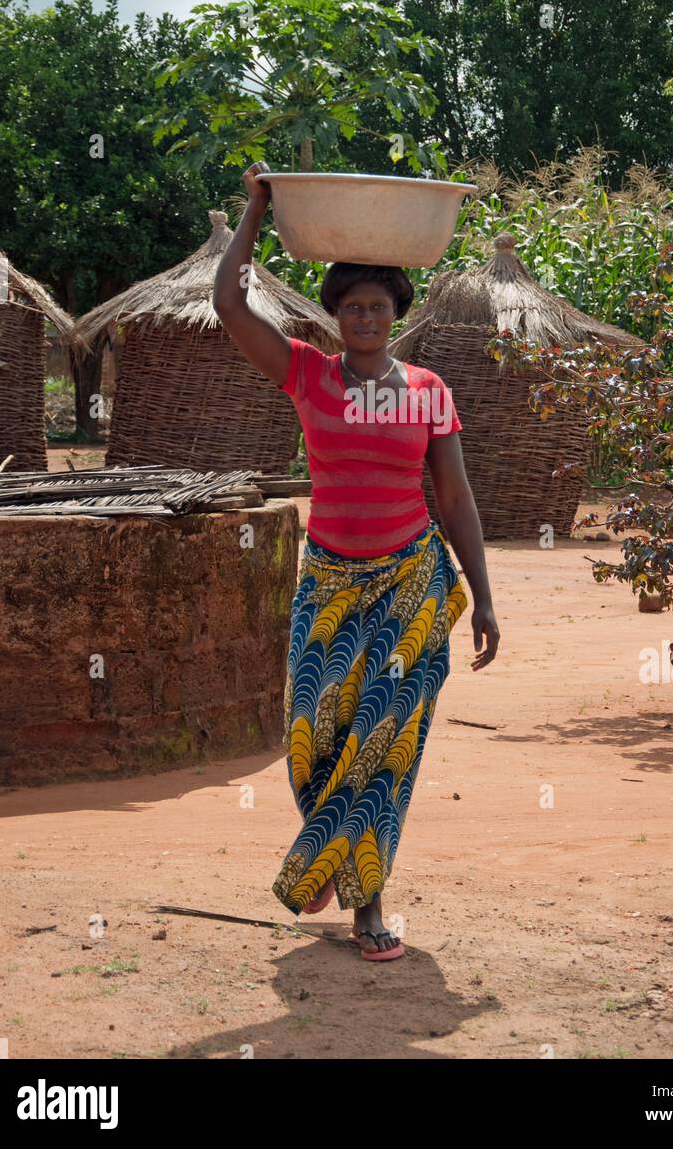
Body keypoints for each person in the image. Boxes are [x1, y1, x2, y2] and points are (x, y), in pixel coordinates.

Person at [213, 161, 499, 961]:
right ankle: (333, 855)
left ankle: (369, 903)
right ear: (334, 316)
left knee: (382, 745)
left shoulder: (427, 389)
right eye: (351, 306)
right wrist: (256, 211)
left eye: (378, 305)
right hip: (329, 580)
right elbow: (229, 302)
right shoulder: (304, 372)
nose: (365, 316)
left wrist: (483, 597)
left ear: (395, 314)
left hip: (411, 580)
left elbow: (456, 498)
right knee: (310, 738)